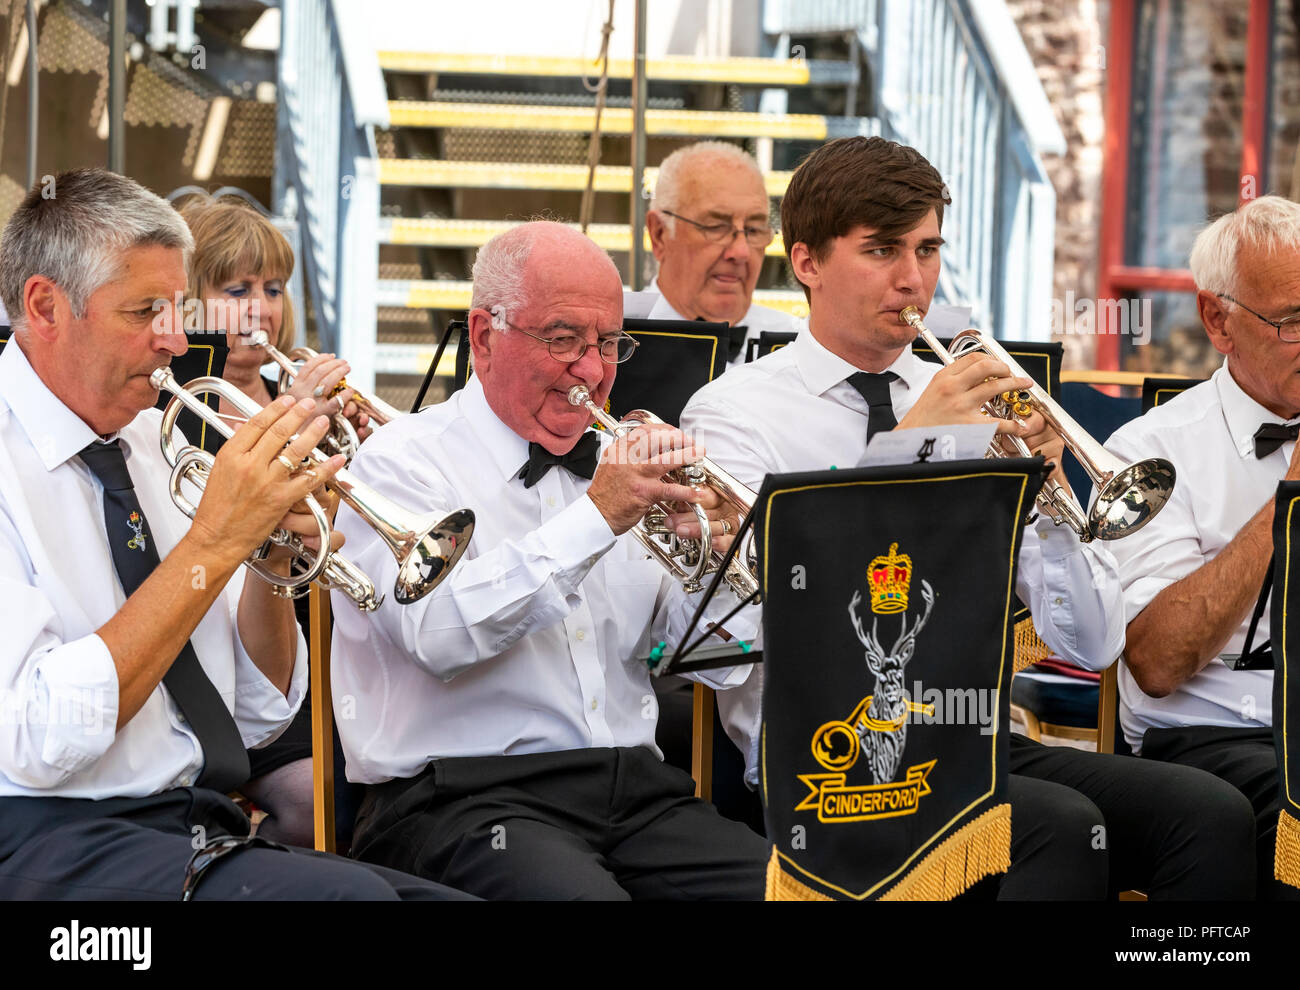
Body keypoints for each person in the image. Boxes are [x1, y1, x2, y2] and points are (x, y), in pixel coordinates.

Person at [680, 136, 1257, 900]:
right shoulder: (733, 413)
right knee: (1060, 829)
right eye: (882, 250)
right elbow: (771, 622)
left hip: (976, 737)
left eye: (926, 249)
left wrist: (1047, 495)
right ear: (808, 262)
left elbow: (1094, 639)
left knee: (1207, 813)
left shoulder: (963, 392)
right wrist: (915, 444)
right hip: (833, 755)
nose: (912, 277)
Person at [0, 167, 470, 900]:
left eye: (178, 308)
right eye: (145, 311)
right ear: (45, 306)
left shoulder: (155, 443)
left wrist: (268, 563)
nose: (176, 339)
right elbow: (38, 738)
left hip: (188, 822)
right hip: (49, 833)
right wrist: (214, 544)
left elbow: (256, 712)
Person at [332, 220, 770, 900]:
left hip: (634, 792)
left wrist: (715, 558)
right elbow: (438, 637)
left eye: (608, 345)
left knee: (793, 892)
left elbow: (724, 661)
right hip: (463, 801)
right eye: (564, 340)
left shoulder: (617, 469)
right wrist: (596, 519)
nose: (593, 373)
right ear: (484, 337)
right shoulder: (400, 462)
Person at [1103, 194, 1300, 899]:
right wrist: (1288, 500)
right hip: (1213, 738)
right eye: (1293, 321)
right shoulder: (1148, 453)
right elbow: (1157, 662)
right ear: (1218, 320)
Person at [178, 194, 369, 848]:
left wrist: (359, 449)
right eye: (236, 288)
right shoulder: (184, 406)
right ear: (188, 298)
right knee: (321, 796)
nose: (260, 306)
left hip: (332, 648)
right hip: (243, 667)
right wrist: (293, 418)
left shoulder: (297, 391)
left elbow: (338, 537)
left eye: (273, 288)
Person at [630, 141, 803, 366]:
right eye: (716, 227)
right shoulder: (614, 345)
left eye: (753, 230)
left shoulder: (796, 346)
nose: (740, 252)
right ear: (659, 234)